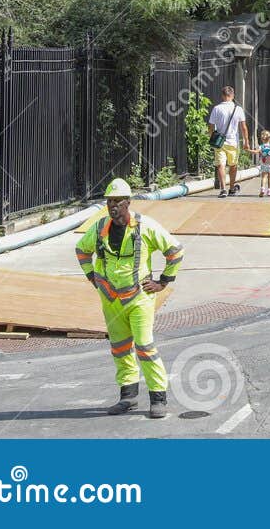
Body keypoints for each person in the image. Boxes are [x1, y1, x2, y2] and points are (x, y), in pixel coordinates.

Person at [75, 178, 185, 419]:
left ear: (128, 202)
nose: (112, 206)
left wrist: (163, 282)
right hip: (111, 300)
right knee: (120, 347)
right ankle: (128, 396)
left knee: (144, 346)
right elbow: (81, 250)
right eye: (109, 201)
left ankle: (158, 397)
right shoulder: (99, 228)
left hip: (139, 297)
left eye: (117, 201)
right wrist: (92, 277)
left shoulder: (145, 227)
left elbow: (175, 252)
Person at [206, 86, 249, 197]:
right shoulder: (238, 109)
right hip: (233, 142)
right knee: (233, 165)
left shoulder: (216, 108)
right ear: (233, 95)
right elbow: (244, 127)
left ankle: (223, 189)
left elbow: (210, 126)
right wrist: (246, 141)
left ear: (222, 95)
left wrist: (211, 137)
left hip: (220, 142)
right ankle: (231, 188)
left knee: (221, 165)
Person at [256, 130, 270, 197]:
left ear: (262, 139)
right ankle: (269, 191)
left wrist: (249, 150)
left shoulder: (261, 146)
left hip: (263, 163)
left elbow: (256, 152)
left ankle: (262, 189)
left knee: (263, 177)